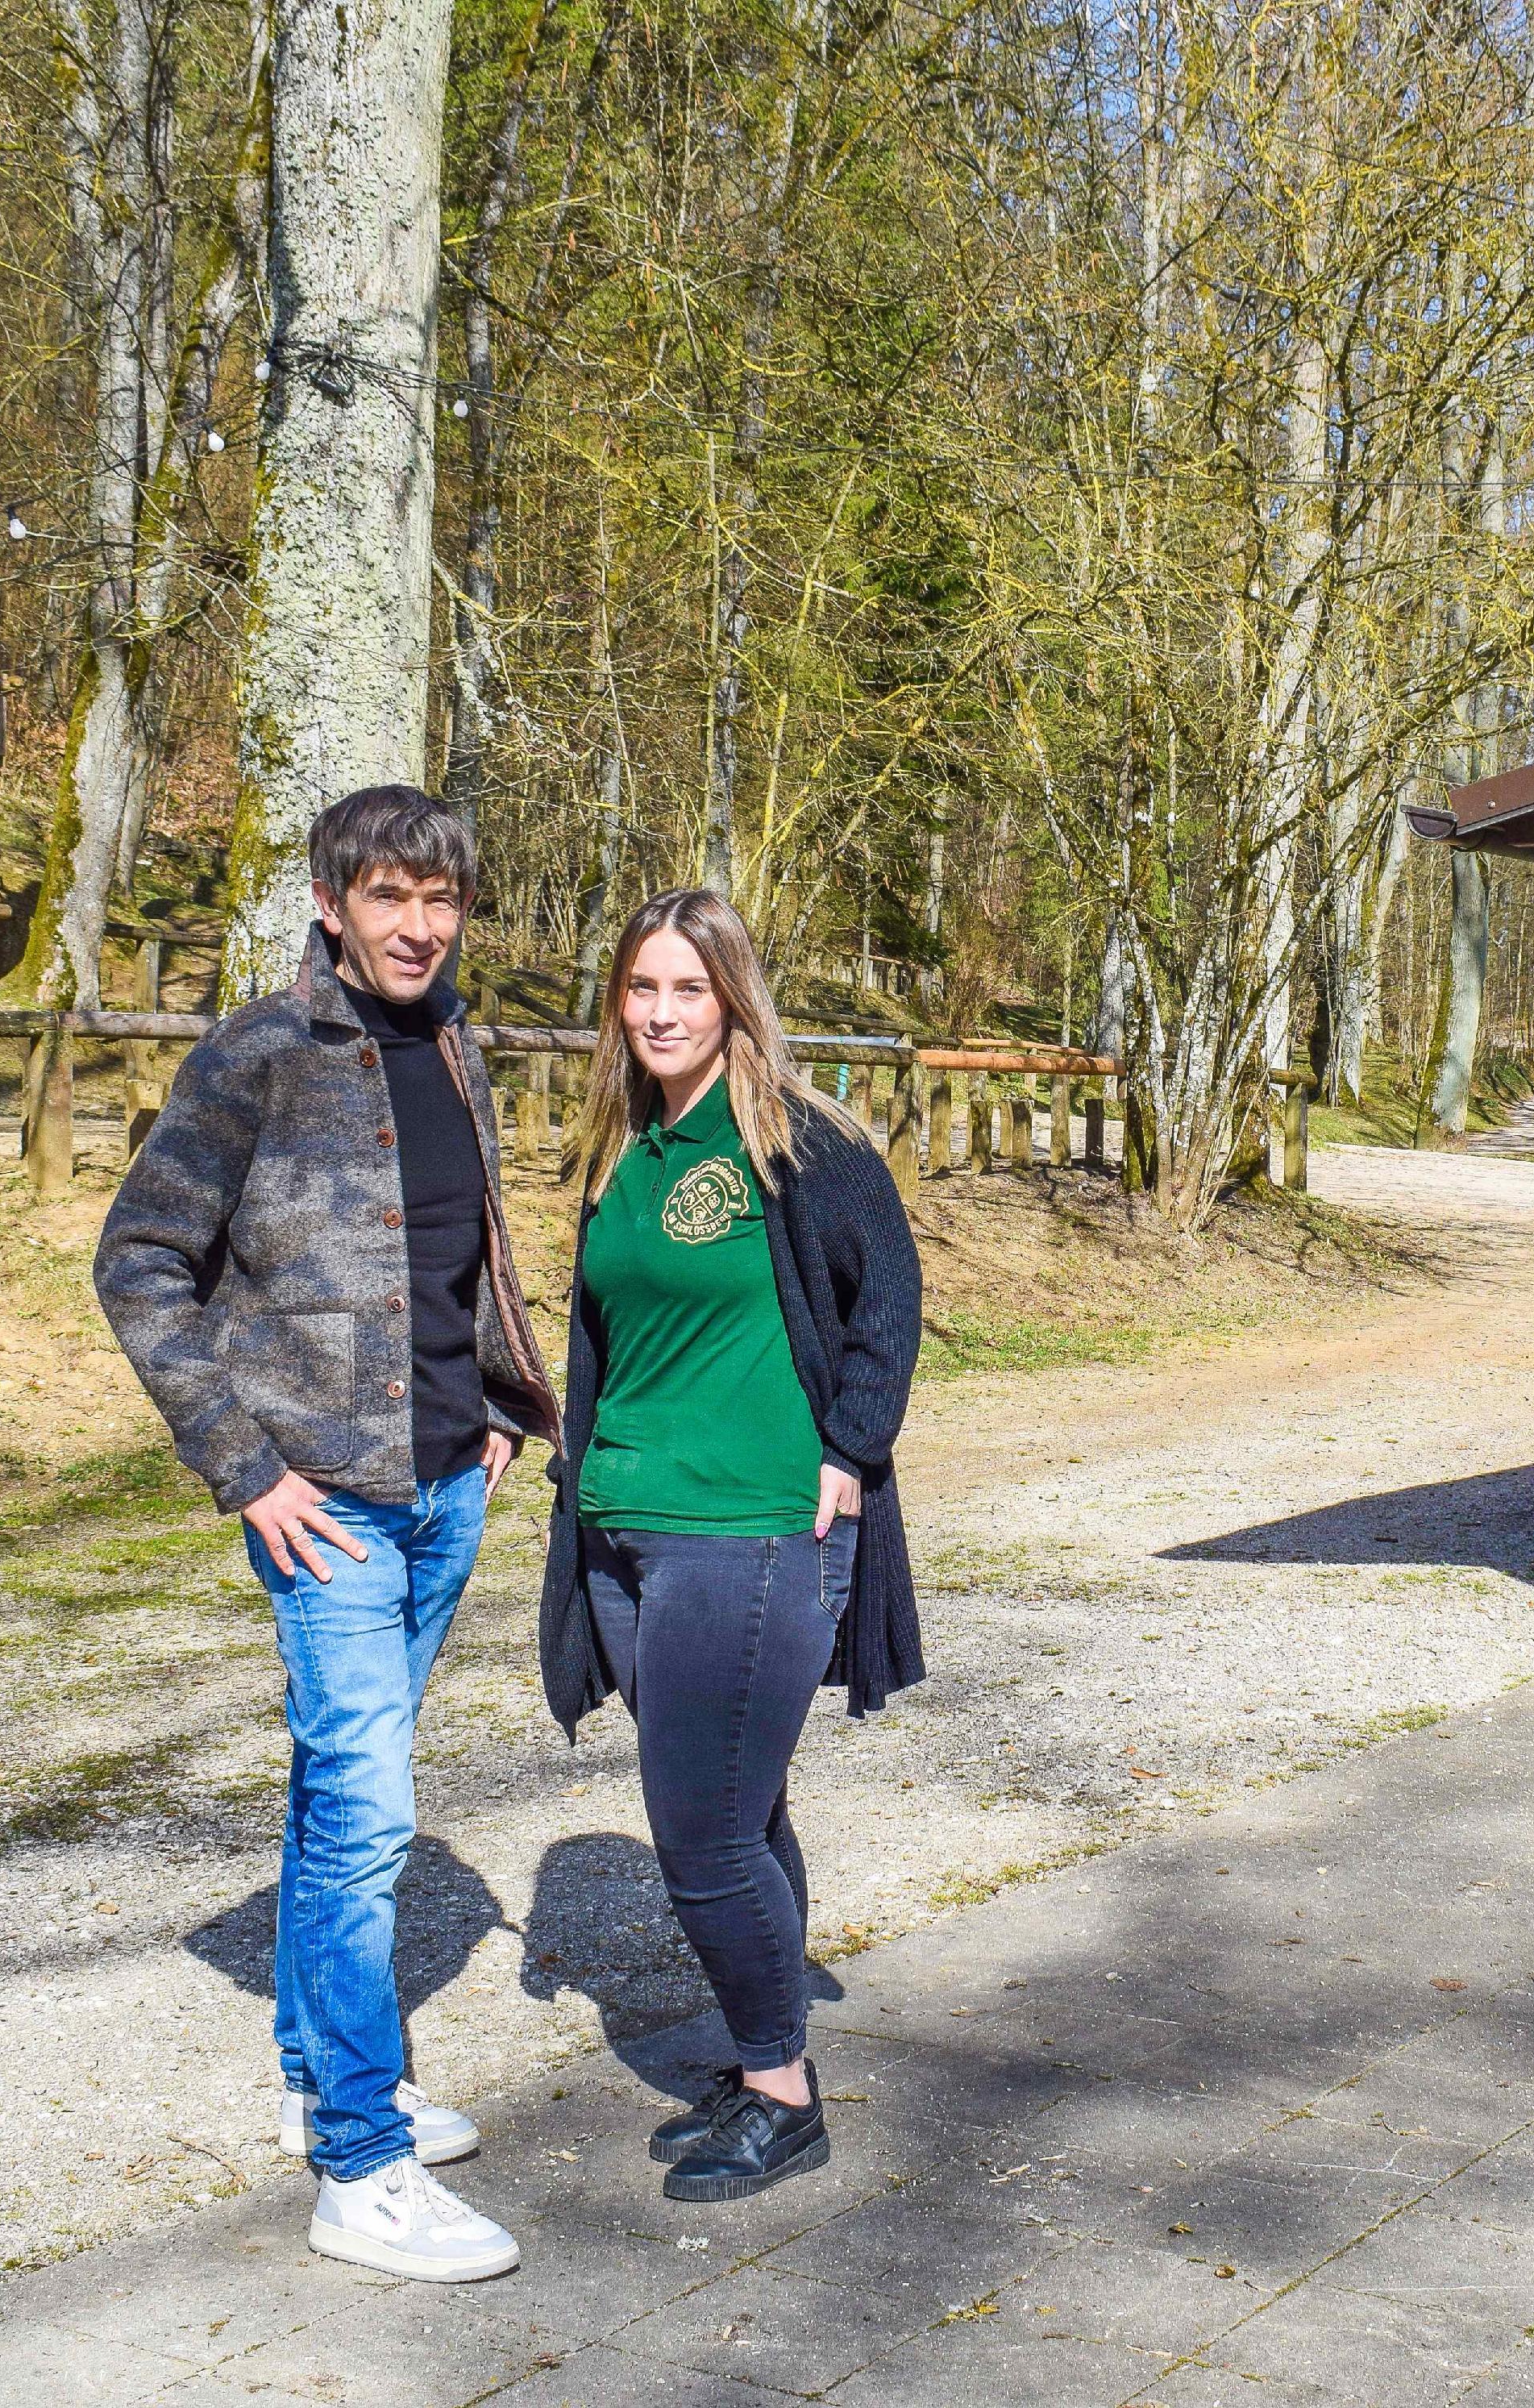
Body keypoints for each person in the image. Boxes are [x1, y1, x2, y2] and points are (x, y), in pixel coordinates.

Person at [94, 786, 555, 2283]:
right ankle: (362, 2164)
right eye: (390, 897)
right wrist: (245, 1470)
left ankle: (318, 2075)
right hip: (326, 1506)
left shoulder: (456, 1041)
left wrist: (494, 1398)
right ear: (333, 900)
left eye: (442, 900)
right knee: (367, 1819)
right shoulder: (262, 1051)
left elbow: (455, 1250)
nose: (419, 925)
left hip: (445, 1485)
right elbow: (143, 1263)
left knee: (333, 1790)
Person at [536, 888, 924, 2204]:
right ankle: (769, 2053)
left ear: (732, 998)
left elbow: (891, 1299)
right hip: (625, 1535)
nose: (659, 1012)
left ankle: (782, 2095)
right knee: (743, 1812)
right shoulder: (620, 1148)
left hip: (750, 1533)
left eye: (686, 990)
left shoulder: (797, 1142)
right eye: (639, 989)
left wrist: (847, 1451)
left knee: (696, 1833)